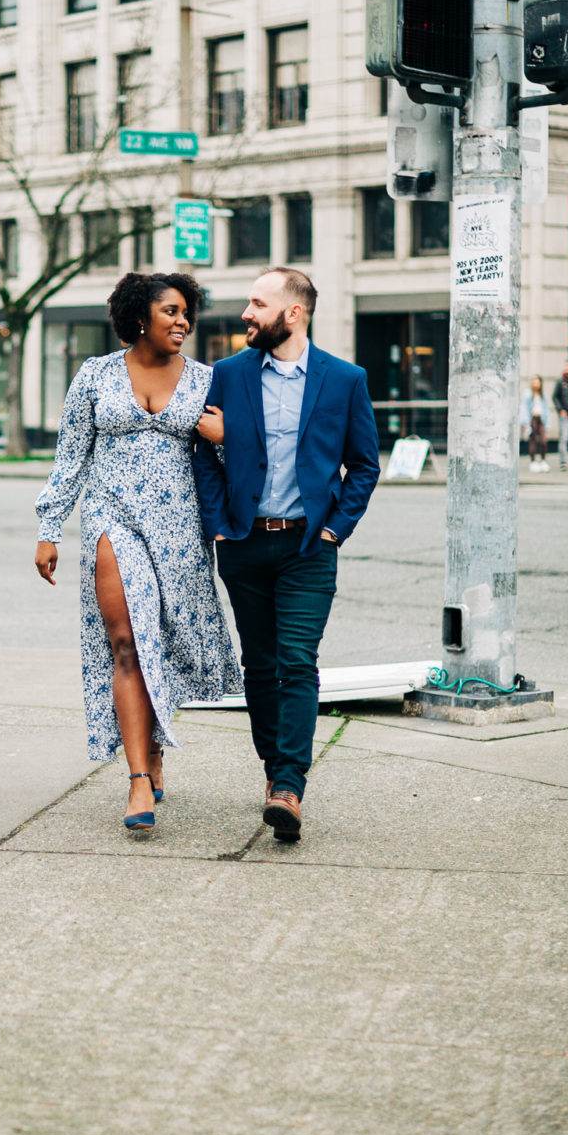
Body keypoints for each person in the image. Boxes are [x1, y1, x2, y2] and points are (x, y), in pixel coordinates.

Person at [35, 272, 241, 832]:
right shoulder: (96, 375)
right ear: (140, 316)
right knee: (125, 640)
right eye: (170, 311)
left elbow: (230, 468)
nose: (182, 321)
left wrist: (226, 442)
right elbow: (71, 456)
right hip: (112, 520)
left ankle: (153, 746)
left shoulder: (207, 380)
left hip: (180, 530)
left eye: (186, 312)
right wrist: (50, 527)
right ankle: (138, 780)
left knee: (163, 640)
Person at [193, 268, 380, 839]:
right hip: (246, 544)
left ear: (292, 313)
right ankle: (276, 772)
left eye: (257, 302)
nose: (246, 313)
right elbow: (203, 450)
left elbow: (364, 465)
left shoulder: (345, 380)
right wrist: (220, 522)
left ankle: (288, 787)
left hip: (307, 545)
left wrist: (334, 531)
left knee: (298, 662)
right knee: (260, 666)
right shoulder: (226, 374)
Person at [519, 375, 551, 472]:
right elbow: (524, 408)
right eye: (534, 382)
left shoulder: (543, 395)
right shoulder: (527, 394)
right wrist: (525, 424)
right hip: (532, 419)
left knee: (543, 441)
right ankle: (532, 461)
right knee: (532, 440)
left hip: (541, 418)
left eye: (537, 382)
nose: (536, 384)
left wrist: (548, 423)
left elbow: (546, 409)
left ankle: (543, 460)